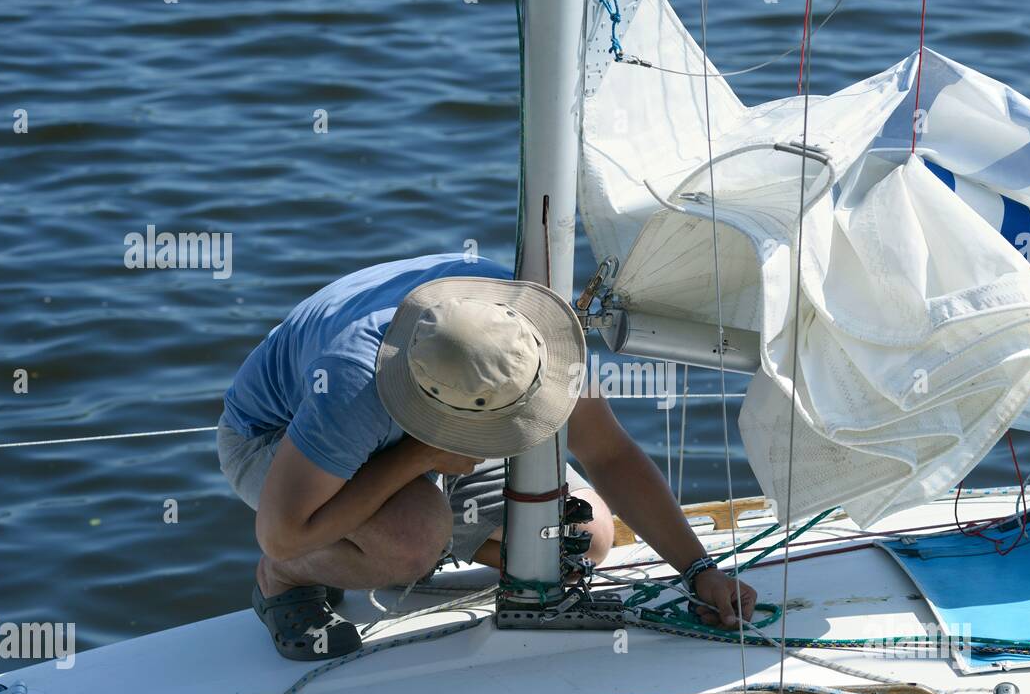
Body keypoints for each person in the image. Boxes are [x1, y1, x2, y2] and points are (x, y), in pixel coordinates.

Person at [217, 253, 757, 660]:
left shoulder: (524, 331)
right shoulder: (351, 383)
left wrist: (699, 570)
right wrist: (416, 458)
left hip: (425, 432)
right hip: (276, 439)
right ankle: (283, 580)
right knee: (414, 539)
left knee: (585, 539)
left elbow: (610, 454)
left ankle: (421, 527)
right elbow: (282, 529)